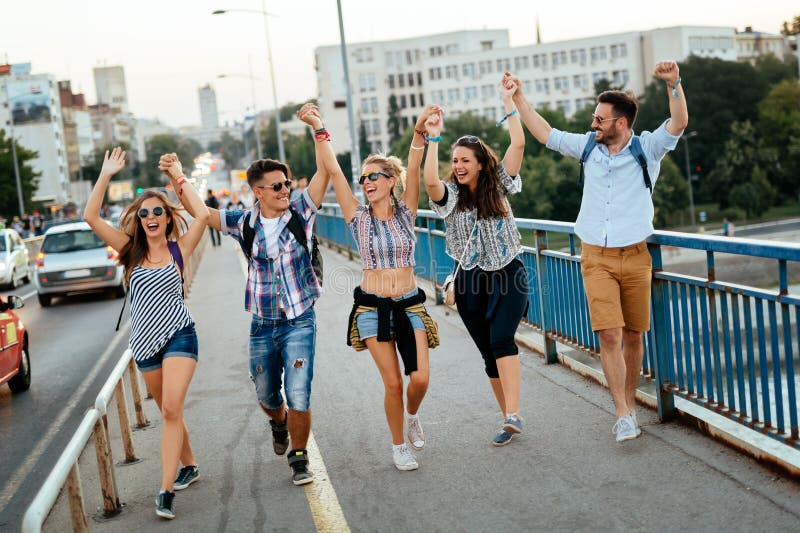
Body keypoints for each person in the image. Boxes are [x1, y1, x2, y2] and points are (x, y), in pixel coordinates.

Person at [507, 60, 688, 442]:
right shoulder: (588, 146)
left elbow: (679, 122)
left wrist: (674, 85)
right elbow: (546, 134)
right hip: (596, 257)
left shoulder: (647, 149)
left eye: (600, 119)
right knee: (609, 334)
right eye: (594, 117)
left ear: (620, 123)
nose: (594, 123)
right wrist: (519, 98)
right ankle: (622, 413)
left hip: (637, 256)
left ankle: (629, 403)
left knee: (635, 336)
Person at [160, 107, 333, 486]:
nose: (285, 189)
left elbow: (325, 173)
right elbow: (202, 214)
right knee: (269, 395)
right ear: (258, 192)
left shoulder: (301, 211)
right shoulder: (244, 222)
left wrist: (319, 128)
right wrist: (177, 175)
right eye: (276, 186)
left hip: (300, 319)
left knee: (300, 393)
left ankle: (300, 457)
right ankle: (278, 422)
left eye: (286, 183)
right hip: (262, 324)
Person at [83, 147, 210, 519]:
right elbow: (90, 216)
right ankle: (189, 465)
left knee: (171, 408)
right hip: (144, 344)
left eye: (158, 211)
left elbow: (201, 213)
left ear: (168, 219)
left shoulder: (179, 248)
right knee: (169, 410)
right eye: (145, 213)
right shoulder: (129, 250)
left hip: (180, 335)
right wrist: (106, 175)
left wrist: (177, 176)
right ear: (138, 221)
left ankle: (166, 490)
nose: (151, 216)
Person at [316, 103, 441, 471]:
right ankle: (398, 445)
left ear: (390, 181)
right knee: (392, 384)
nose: (367, 183)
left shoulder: (407, 211)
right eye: (364, 179)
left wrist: (422, 129)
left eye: (374, 177)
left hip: (409, 303)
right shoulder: (356, 217)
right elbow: (334, 171)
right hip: (372, 309)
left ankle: (413, 415)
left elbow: (415, 166)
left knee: (419, 378)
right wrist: (320, 129)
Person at [423, 77, 527, 446]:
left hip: (508, 274)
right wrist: (434, 139)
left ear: (481, 163)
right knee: (488, 354)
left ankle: (514, 413)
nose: (459, 166)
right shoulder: (449, 195)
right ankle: (507, 418)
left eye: (465, 160)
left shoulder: (499, 184)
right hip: (470, 282)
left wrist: (508, 102)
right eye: (455, 161)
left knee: (501, 339)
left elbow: (518, 142)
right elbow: (430, 179)